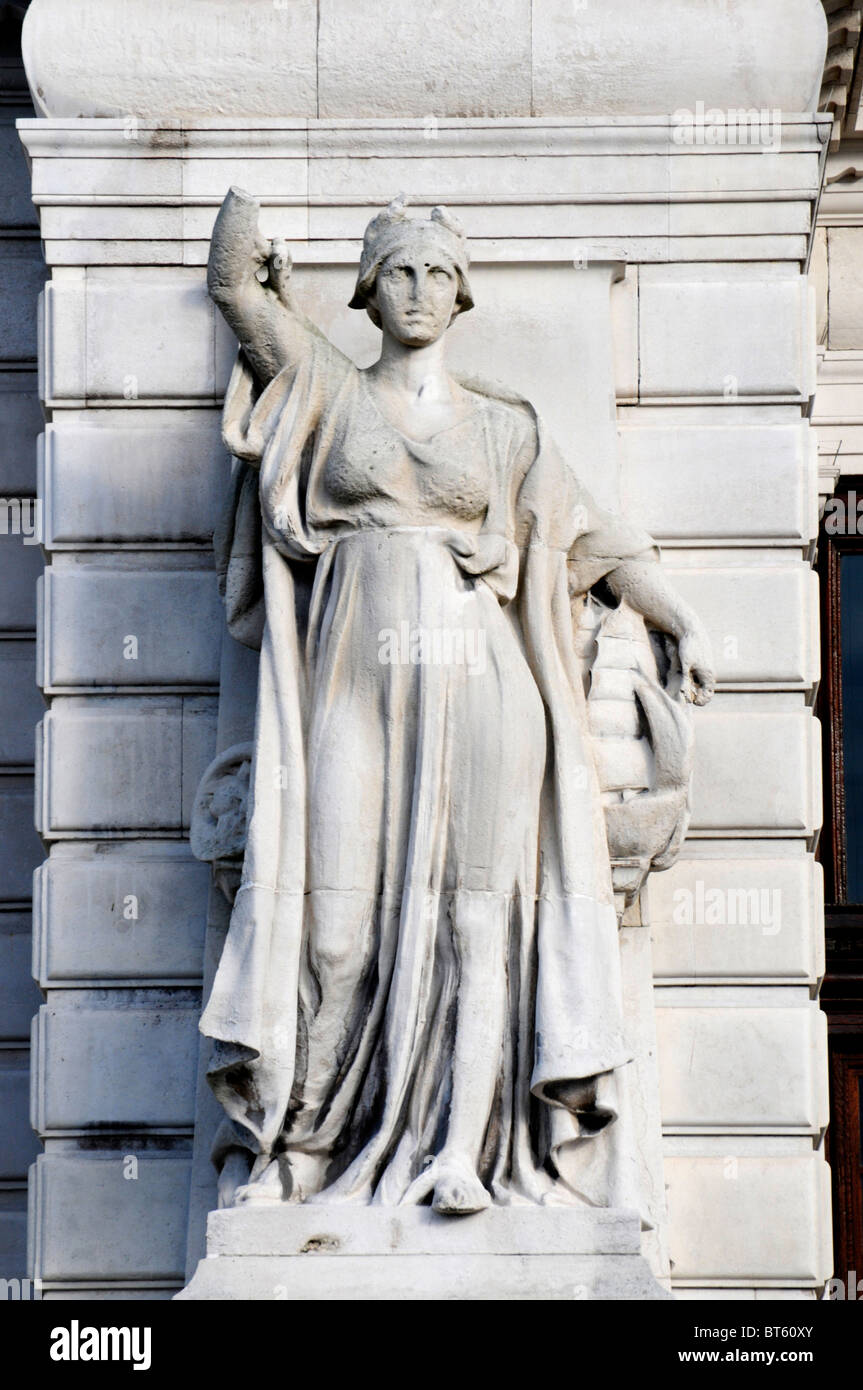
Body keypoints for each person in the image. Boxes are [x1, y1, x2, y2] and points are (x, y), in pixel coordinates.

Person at [200, 188, 714, 1214]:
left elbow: (596, 543)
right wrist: (255, 235)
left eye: (438, 272)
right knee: (332, 930)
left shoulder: (505, 432)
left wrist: (678, 619)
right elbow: (230, 282)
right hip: (354, 679)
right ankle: (299, 1153)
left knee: (479, 925)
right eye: (399, 271)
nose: (419, 290)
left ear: (463, 291)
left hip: (485, 689)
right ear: (367, 289)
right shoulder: (325, 388)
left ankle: (460, 1154)